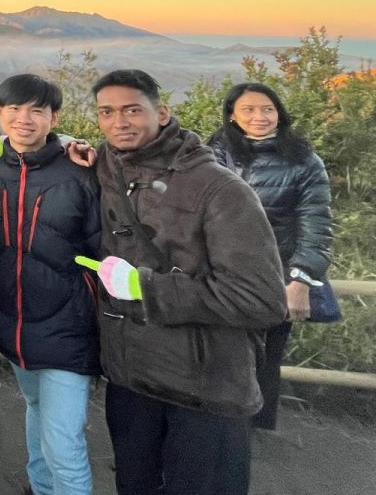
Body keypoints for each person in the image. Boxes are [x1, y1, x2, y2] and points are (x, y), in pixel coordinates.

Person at [89, 69, 285, 495]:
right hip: (131, 381)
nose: (118, 122)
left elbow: (262, 299)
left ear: (161, 113)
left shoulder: (219, 189)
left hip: (204, 389)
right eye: (107, 112)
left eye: (131, 110)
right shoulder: (108, 165)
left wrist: (146, 289)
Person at [0, 74, 101, 495]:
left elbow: (103, 247)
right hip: (11, 322)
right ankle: (41, 487)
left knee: (64, 445)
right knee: (37, 406)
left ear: (54, 117)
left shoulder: (79, 172)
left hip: (68, 325)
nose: (24, 119)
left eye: (37, 110)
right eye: (15, 109)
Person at [207, 82, 332, 429]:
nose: (259, 117)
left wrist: (301, 279)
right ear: (232, 116)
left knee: (265, 359)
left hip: (274, 277)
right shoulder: (212, 154)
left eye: (267, 109)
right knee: (217, 353)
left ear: (279, 113)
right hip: (218, 274)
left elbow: (317, 225)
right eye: (248, 109)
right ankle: (220, 432)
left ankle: (254, 436)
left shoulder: (303, 160)